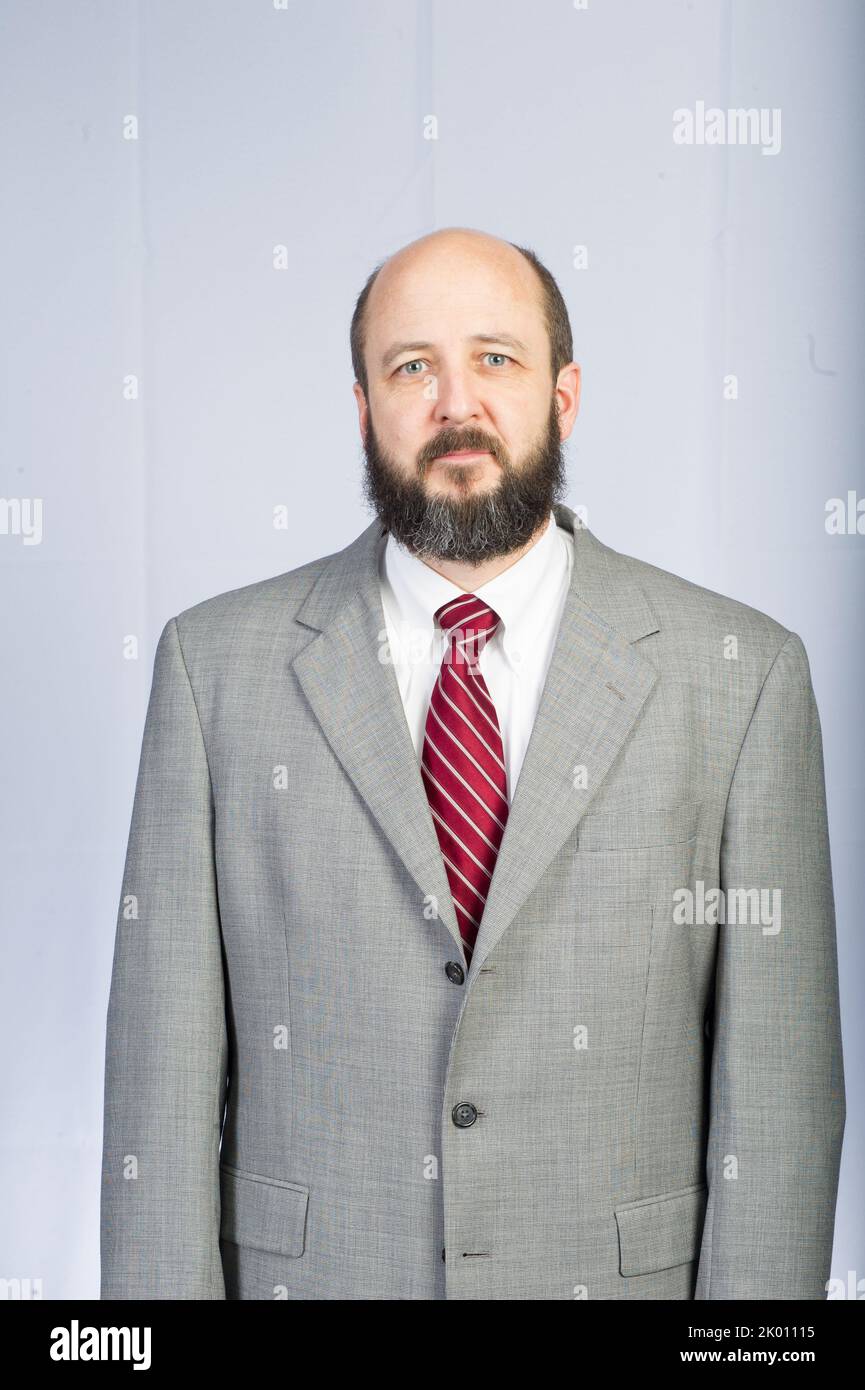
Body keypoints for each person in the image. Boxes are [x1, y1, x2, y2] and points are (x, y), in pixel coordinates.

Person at [100, 226, 845, 1300]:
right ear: (363, 408)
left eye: (496, 357)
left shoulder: (740, 678)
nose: (458, 403)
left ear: (565, 394)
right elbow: (158, 1094)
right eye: (413, 367)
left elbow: (780, 1102)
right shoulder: (213, 670)